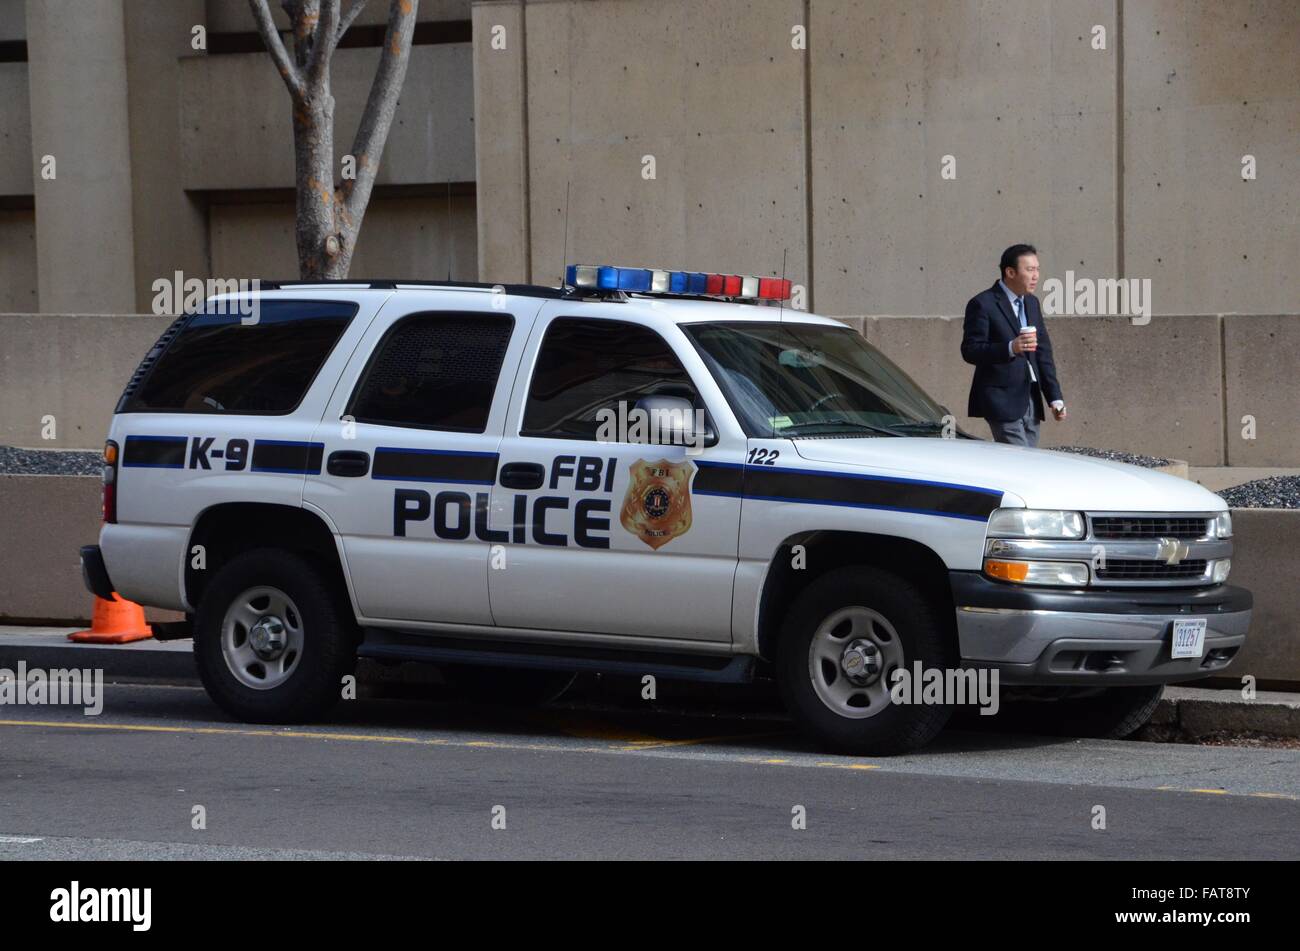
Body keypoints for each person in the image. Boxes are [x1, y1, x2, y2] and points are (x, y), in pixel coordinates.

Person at [961, 244, 1066, 447]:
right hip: (1001, 399)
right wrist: (1010, 347)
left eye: (1037, 269)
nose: (1036, 276)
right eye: (1029, 269)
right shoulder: (983, 303)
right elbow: (970, 350)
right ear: (1010, 272)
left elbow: (1043, 353)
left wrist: (1055, 398)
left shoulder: (1032, 303)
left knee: (1027, 461)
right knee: (1020, 460)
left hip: (1031, 397)